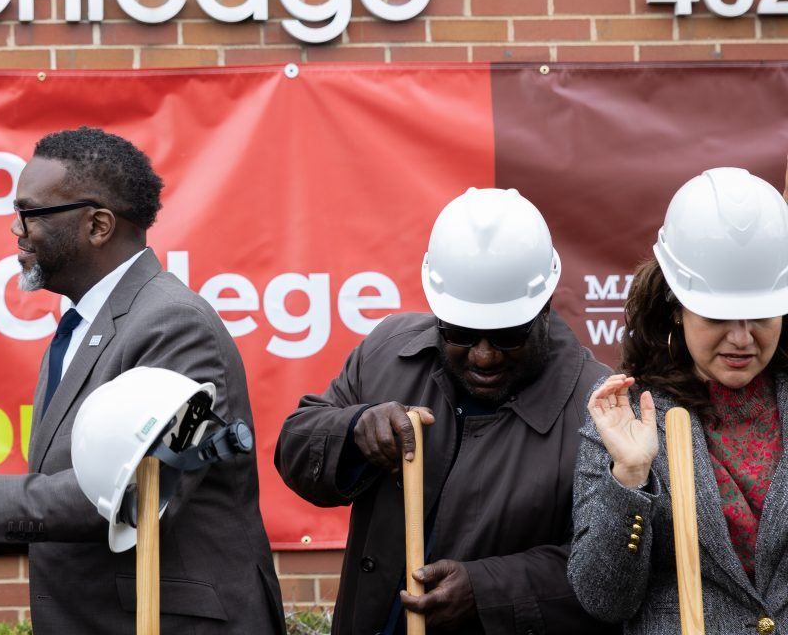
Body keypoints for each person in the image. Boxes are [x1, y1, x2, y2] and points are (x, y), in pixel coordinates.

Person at [0, 126, 284, 634]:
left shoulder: (175, 325)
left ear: (98, 225)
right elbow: (60, 507)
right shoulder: (81, 328)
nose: (17, 230)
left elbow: (137, 492)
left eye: (30, 213)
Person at [278, 187, 613, 635]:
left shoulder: (599, 406)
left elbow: (610, 576)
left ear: (545, 309)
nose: (484, 356)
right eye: (459, 334)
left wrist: (487, 590)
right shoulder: (388, 351)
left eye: (508, 337)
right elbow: (295, 444)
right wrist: (355, 430)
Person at [570, 166, 788, 631]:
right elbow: (603, 599)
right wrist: (629, 478)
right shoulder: (625, 408)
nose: (742, 338)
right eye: (716, 315)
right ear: (676, 306)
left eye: (762, 314)